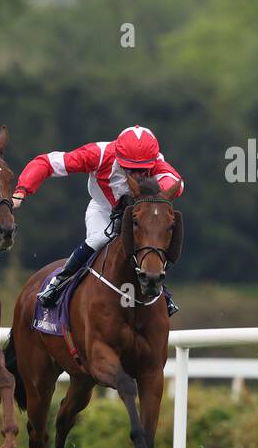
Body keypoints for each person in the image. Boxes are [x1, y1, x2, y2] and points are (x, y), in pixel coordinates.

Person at [12, 125, 183, 313]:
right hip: (103, 211)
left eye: (143, 170)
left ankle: (163, 293)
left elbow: (176, 182)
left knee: (150, 243)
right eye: (130, 169)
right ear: (118, 157)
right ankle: (59, 282)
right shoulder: (98, 154)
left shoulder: (157, 162)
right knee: (100, 239)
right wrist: (22, 190)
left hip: (137, 216)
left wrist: (158, 193)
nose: (136, 175)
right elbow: (46, 162)